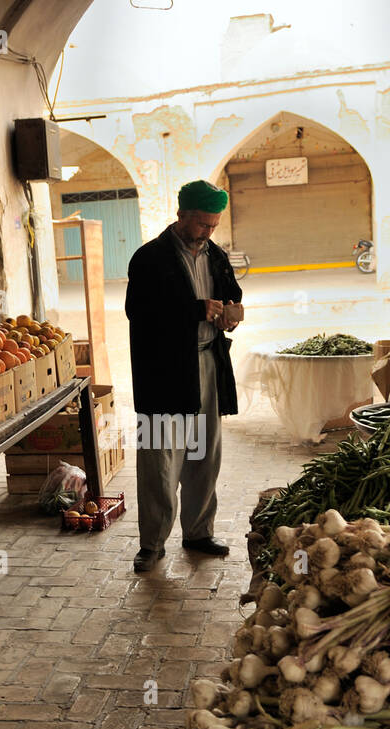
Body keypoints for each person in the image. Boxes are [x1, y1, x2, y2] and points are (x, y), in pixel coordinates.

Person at [125, 179, 242, 574]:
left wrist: (230, 313)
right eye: (202, 224)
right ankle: (152, 543)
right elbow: (140, 313)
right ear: (181, 216)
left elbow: (232, 295)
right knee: (160, 459)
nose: (208, 232)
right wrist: (195, 309)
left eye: (214, 225)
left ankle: (198, 532)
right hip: (162, 373)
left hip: (207, 365)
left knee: (205, 454)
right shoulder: (148, 259)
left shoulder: (217, 256)